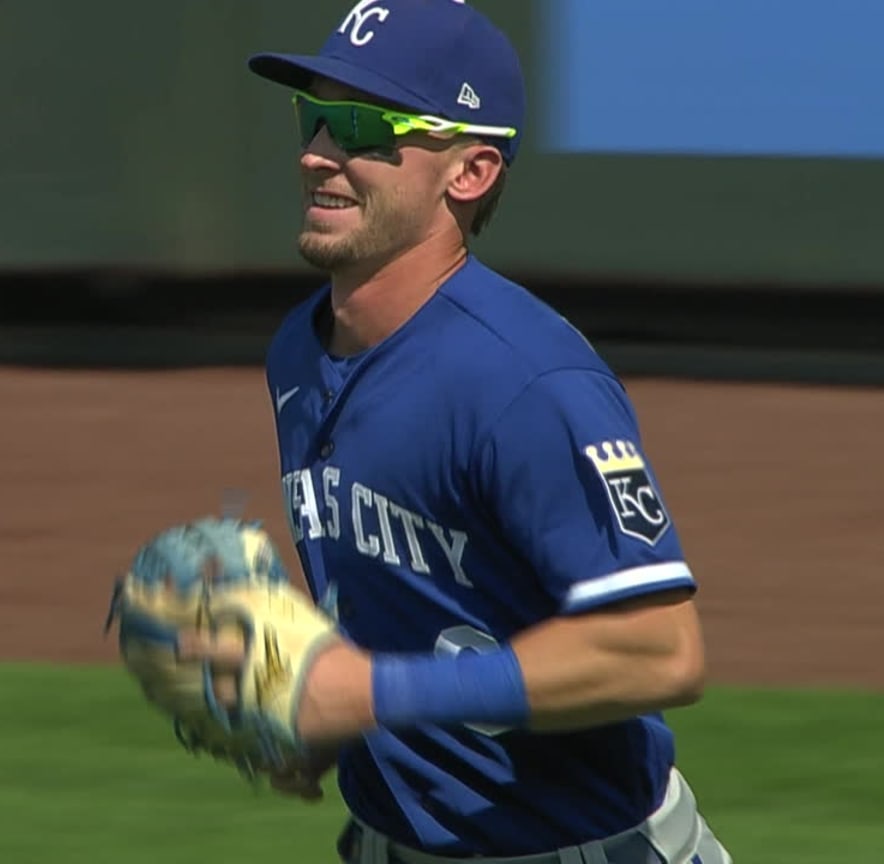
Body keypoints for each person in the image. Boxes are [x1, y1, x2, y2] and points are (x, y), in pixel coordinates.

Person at [181, 2, 734, 861]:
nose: (318, 152)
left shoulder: (526, 381)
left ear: (470, 172)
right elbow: (414, 613)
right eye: (313, 116)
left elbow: (660, 652)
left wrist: (368, 693)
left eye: (364, 128)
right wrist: (321, 720)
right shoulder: (299, 349)